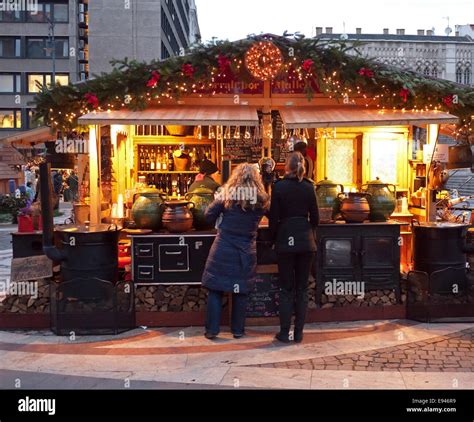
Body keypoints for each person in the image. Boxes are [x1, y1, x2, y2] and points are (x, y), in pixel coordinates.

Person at [202, 163, 270, 340]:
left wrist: (222, 218)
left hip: (223, 247)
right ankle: (238, 331)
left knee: (215, 289)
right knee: (240, 290)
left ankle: (212, 330)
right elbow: (274, 217)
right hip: (246, 250)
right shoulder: (261, 199)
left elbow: (208, 215)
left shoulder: (227, 195)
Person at [269, 152, 319, 344]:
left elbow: (274, 218)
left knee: (286, 288)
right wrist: (307, 231)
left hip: (285, 242)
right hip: (306, 243)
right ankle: (298, 333)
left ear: (286, 167)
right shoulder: (309, 187)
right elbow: (315, 218)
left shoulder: (279, 187)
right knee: (302, 289)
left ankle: (284, 332)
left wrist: (274, 237)